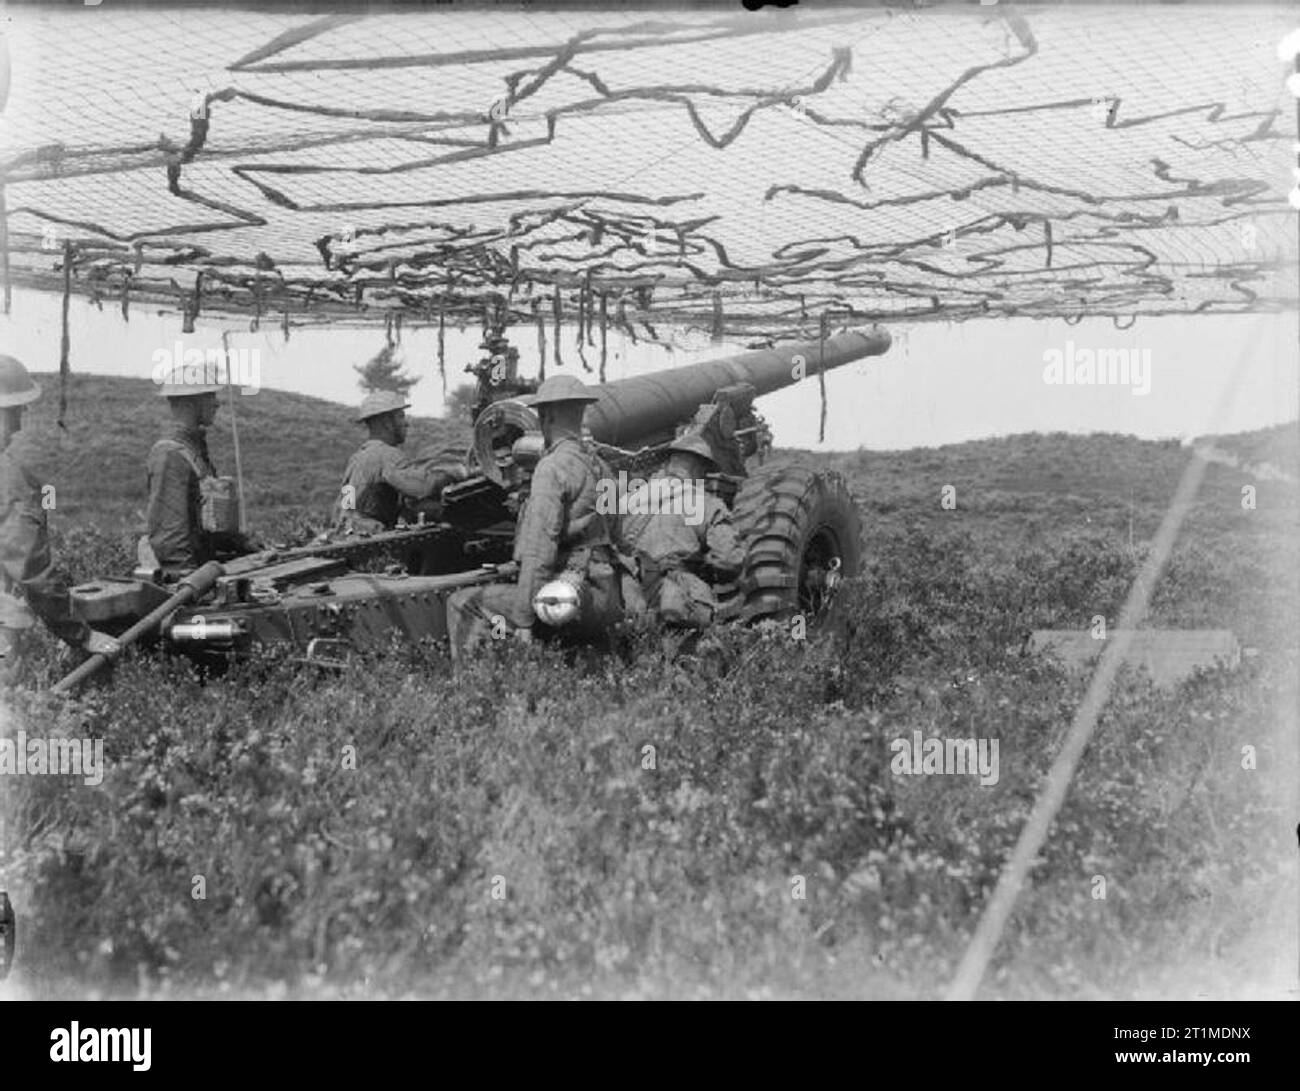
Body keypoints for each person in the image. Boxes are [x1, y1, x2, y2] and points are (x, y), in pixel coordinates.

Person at [445, 374, 622, 659]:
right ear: (580, 412)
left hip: (566, 595)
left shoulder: (552, 468)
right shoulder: (602, 467)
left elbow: (540, 548)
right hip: (604, 593)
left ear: (546, 416)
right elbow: (615, 530)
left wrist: (523, 618)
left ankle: (477, 684)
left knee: (464, 603)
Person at [0, 355, 116, 672]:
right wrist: (81, 635)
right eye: (12, 412)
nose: (19, 424)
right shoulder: (7, 477)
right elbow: (32, 572)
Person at [619, 433, 745, 630]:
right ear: (699, 468)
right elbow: (729, 560)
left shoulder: (628, 498)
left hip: (632, 597)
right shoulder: (707, 503)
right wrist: (705, 568)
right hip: (680, 602)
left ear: (670, 461)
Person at [144, 372, 251, 579]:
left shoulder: (194, 451)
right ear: (190, 403)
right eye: (210, 396)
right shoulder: (171, 455)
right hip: (189, 581)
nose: (217, 404)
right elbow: (170, 538)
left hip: (204, 569)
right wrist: (190, 583)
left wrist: (245, 545)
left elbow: (205, 524)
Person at [335, 391, 464, 532]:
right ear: (386, 423)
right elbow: (420, 488)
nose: (406, 423)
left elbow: (345, 507)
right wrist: (454, 473)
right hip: (372, 535)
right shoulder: (387, 455)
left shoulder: (357, 459)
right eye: (400, 417)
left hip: (349, 532)